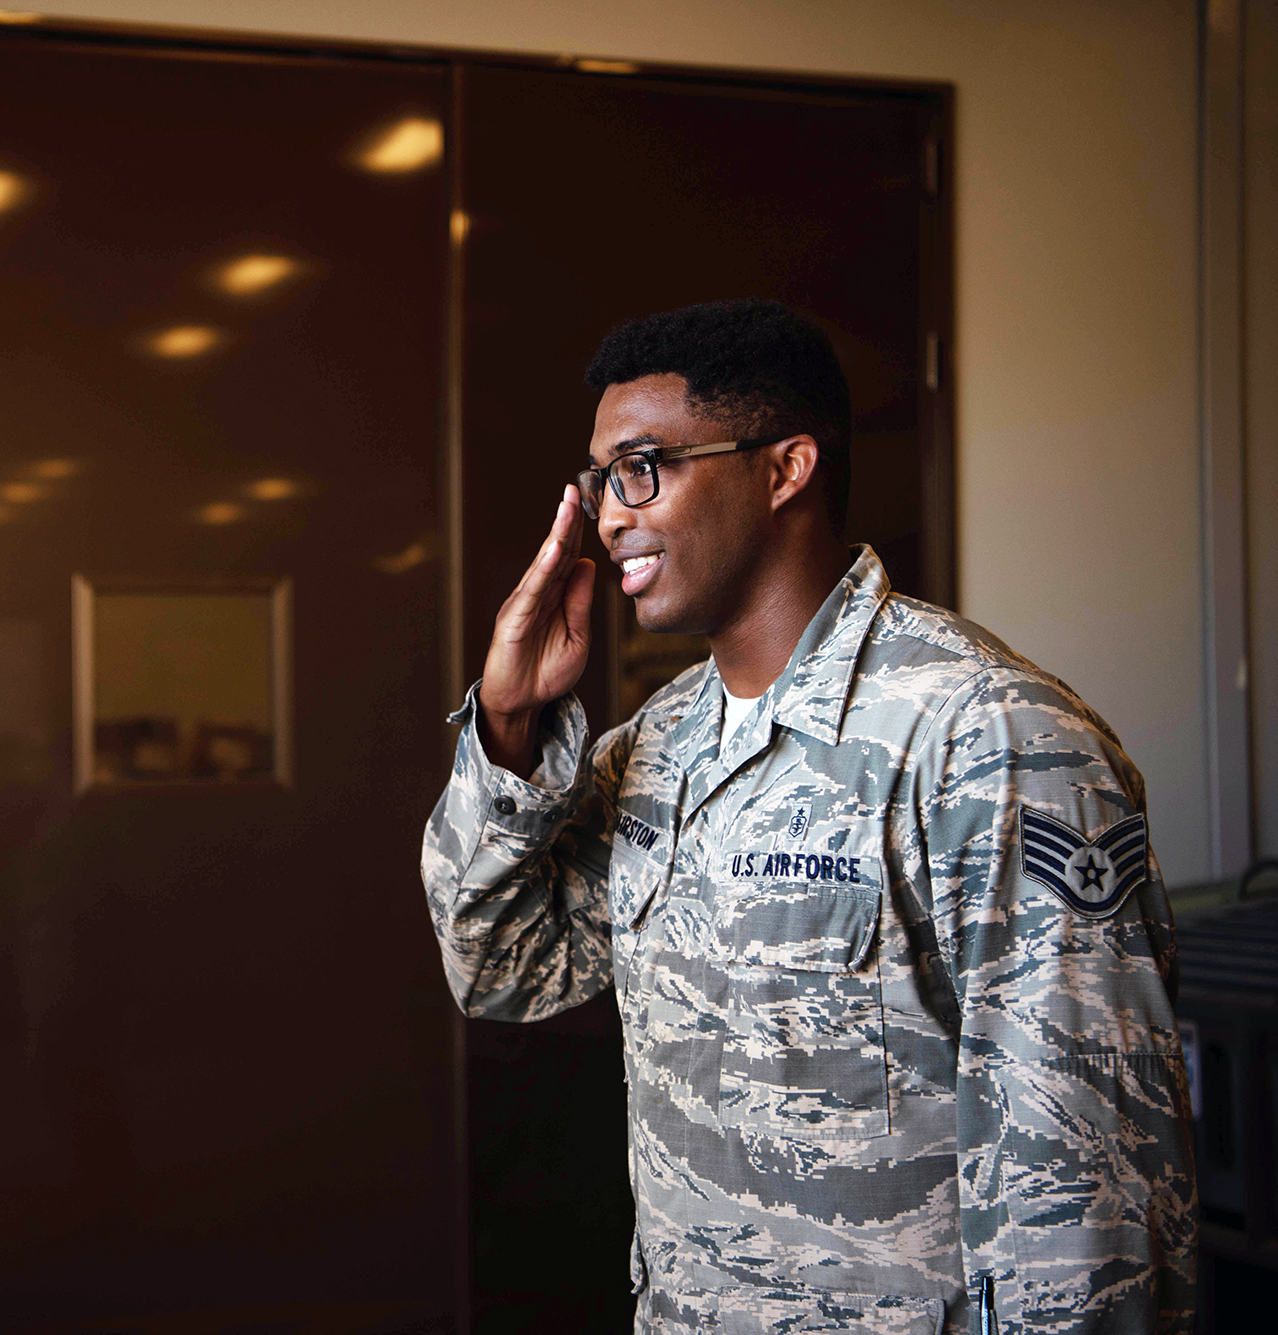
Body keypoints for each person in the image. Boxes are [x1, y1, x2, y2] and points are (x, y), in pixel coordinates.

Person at [422, 299, 1195, 1333]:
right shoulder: (663, 745)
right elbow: (498, 967)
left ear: (784, 469)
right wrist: (511, 724)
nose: (609, 514)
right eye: (599, 478)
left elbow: (1085, 1200)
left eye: (642, 466)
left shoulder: (987, 739)